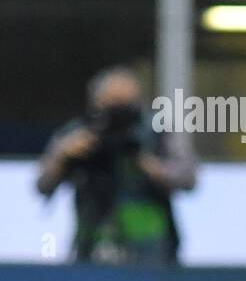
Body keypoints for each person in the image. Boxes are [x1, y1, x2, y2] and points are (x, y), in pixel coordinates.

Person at [36, 66, 196, 265]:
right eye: (111, 104)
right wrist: (63, 156)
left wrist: (151, 167)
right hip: (92, 243)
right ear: (95, 103)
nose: (117, 114)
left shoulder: (155, 131)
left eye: (125, 105)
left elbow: (189, 178)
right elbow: (42, 184)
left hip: (151, 249)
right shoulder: (77, 133)